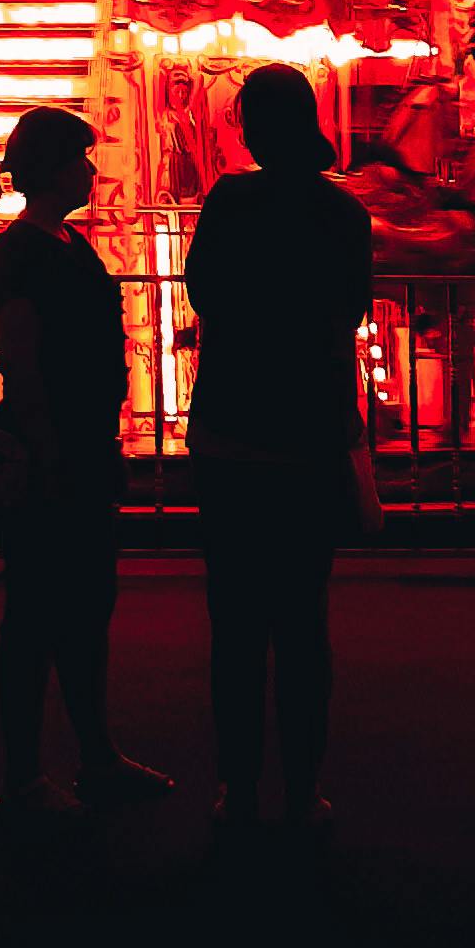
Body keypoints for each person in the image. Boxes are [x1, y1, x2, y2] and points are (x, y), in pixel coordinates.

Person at [183, 60, 374, 836]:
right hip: (309, 430)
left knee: (234, 622)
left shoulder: (229, 202)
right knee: (303, 619)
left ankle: (238, 786)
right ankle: (302, 788)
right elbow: (352, 307)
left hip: (231, 426)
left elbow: (201, 291)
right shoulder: (343, 214)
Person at [0, 105, 163, 829]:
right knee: (37, 610)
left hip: (84, 442)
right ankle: (24, 775)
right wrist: (49, 447)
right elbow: (22, 357)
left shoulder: (64, 241)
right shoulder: (22, 253)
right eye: (81, 159)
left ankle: (95, 752)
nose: (91, 171)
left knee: (86, 604)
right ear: (54, 168)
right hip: (53, 448)